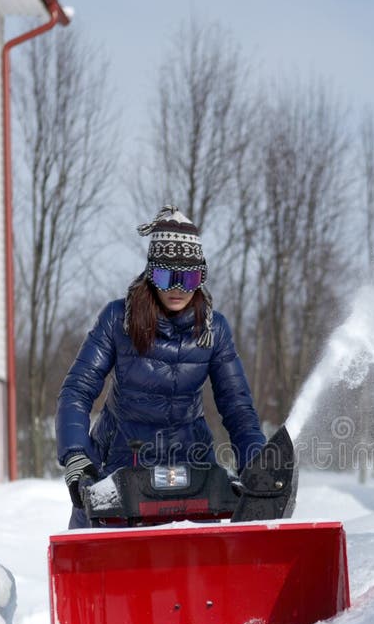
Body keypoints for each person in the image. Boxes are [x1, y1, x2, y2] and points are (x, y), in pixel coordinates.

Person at [56, 205, 266, 527]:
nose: (179, 288)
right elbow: (77, 390)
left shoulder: (214, 329)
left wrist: (256, 463)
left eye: (190, 277)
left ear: (201, 277)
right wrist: (75, 455)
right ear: (152, 273)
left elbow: (238, 408)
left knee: (196, 561)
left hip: (189, 458)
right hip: (118, 457)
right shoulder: (117, 320)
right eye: (167, 276)